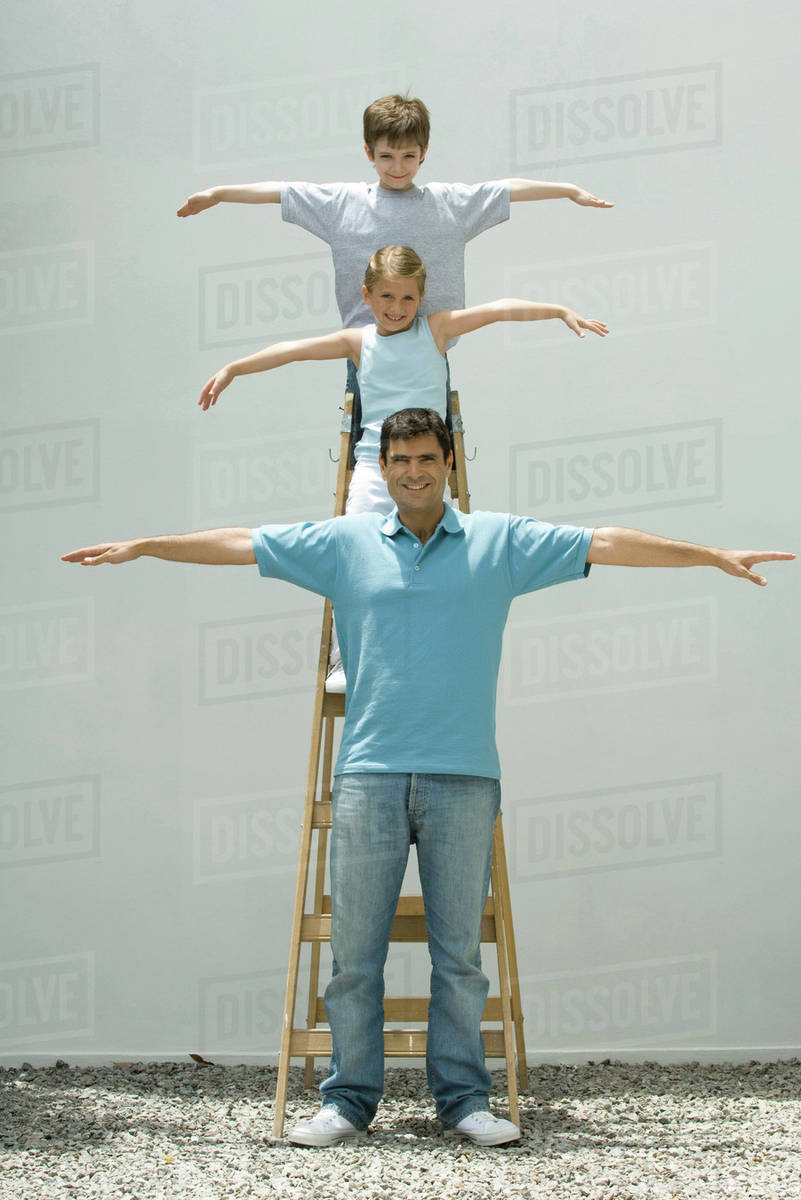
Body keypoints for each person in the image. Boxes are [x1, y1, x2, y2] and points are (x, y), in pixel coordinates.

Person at [62, 408, 793, 1148]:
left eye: (426, 457)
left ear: (449, 462)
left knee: (459, 960)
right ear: (381, 467)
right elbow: (239, 542)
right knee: (354, 959)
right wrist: (147, 547)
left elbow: (604, 540)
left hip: (464, 778)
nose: (412, 471)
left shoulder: (497, 540)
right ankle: (346, 1101)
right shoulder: (344, 542)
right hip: (367, 777)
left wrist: (710, 555)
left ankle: (463, 1100)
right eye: (398, 460)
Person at [197, 243, 607, 689]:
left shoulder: (435, 331)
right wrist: (234, 368)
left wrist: (558, 311)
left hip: (427, 469)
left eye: (408, 298)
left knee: (440, 556)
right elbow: (294, 350)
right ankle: (345, 659)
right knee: (352, 549)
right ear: (367, 296)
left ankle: (441, 643)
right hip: (378, 468)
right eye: (387, 298)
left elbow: (498, 310)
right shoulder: (359, 342)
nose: (397, 308)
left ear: (422, 298)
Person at [177, 92, 613, 335]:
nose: (398, 167)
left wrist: (568, 190)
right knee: (373, 460)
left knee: (422, 462)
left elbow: (505, 189)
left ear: (424, 153)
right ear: (369, 152)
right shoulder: (343, 204)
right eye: (387, 156)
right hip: (365, 349)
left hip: (432, 347)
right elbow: (281, 191)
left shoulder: (449, 204)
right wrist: (218, 193)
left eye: (408, 156)